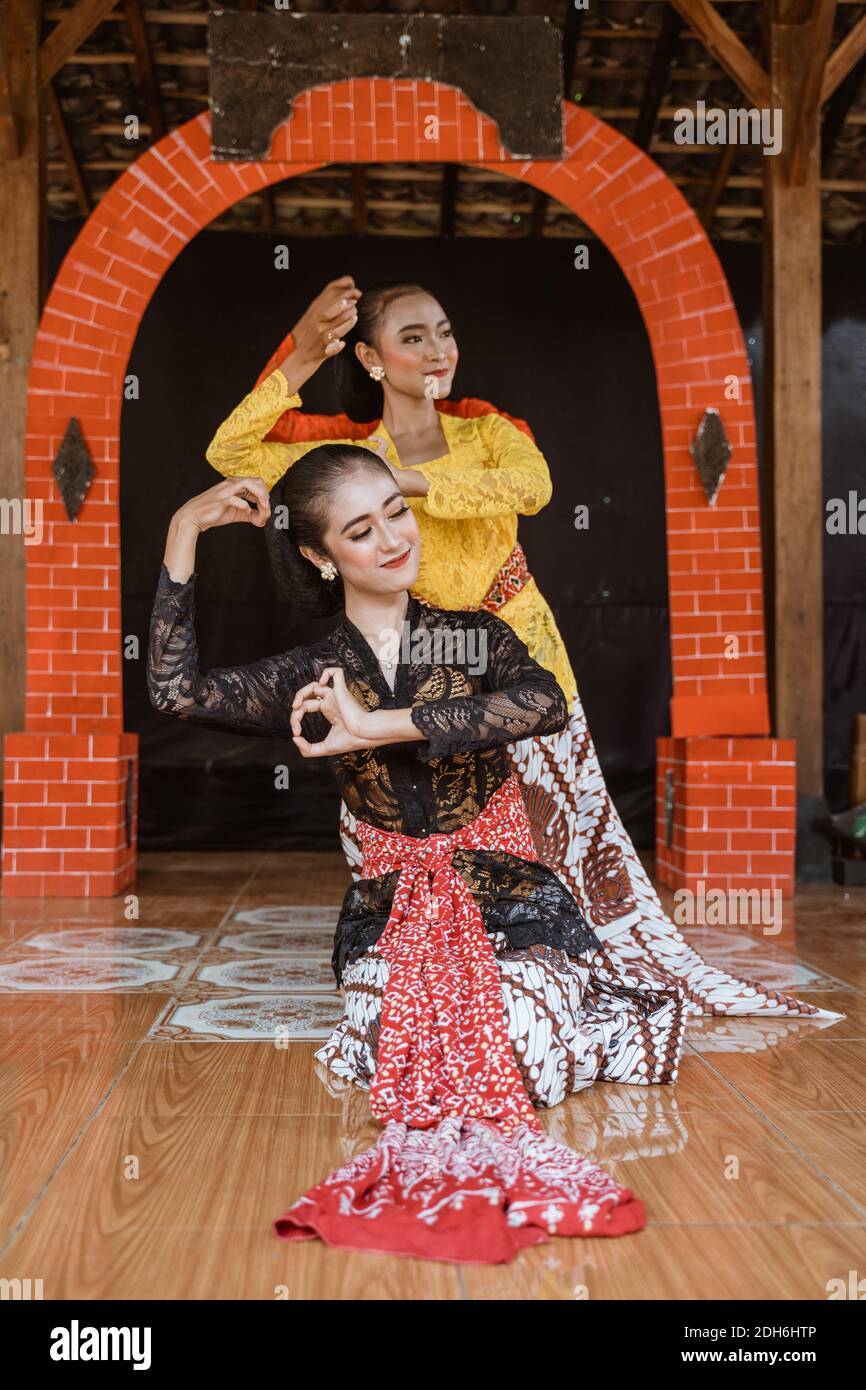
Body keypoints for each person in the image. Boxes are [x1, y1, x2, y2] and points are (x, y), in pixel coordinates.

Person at [204, 275, 841, 1031]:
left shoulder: (487, 429)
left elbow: (531, 487)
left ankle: (552, 967)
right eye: (413, 337)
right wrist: (302, 355)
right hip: (417, 671)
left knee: (549, 827)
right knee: (432, 830)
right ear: (372, 359)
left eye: (444, 330)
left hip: (515, 655)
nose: (439, 349)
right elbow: (229, 450)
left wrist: (408, 483)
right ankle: (446, 964)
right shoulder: (345, 453)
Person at [146, 446, 668, 1261]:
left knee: (521, 1044)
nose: (394, 537)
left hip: (511, 898)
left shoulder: (469, 638)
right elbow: (176, 692)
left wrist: (376, 726)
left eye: (397, 509)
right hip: (391, 912)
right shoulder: (313, 668)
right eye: (361, 528)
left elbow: (543, 703)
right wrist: (184, 530)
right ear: (321, 557)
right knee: (402, 1052)